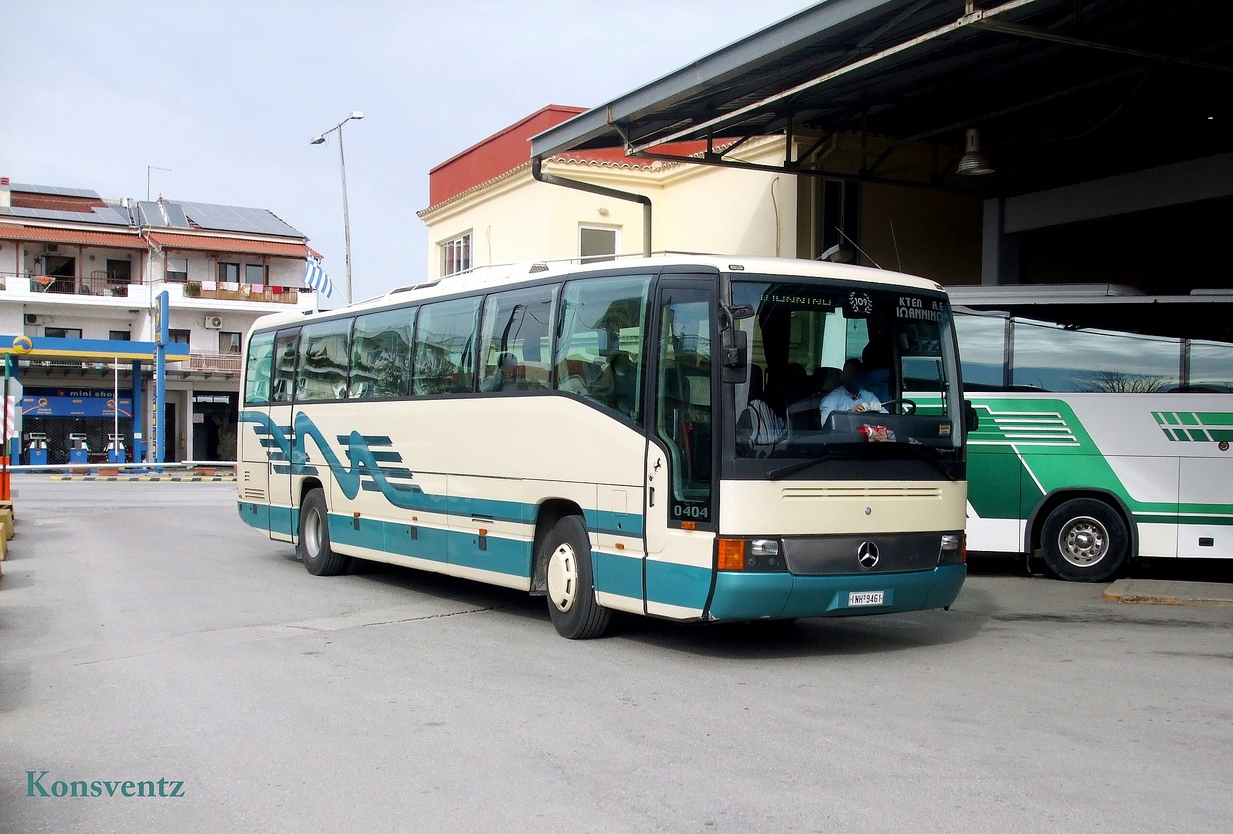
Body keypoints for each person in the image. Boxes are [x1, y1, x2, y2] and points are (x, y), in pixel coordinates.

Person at [818, 358, 883, 425]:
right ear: (842, 376)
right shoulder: (831, 399)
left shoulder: (869, 397)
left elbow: (886, 417)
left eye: (856, 374)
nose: (853, 377)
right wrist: (850, 414)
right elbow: (827, 425)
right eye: (850, 374)